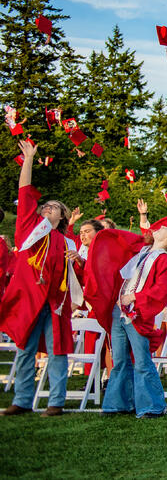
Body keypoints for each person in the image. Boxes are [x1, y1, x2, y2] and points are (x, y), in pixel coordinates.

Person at [1, 140, 76, 417]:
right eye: (45, 205)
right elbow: (25, 191)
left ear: (63, 216)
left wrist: (75, 263)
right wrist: (29, 159)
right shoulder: (29, 228)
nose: (47, 208)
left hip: (54, 303)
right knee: (24, 350)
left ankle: (55, 402)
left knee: (57, 352)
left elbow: (76, 278)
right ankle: (22, 400)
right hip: (28, 299)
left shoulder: (66, 242)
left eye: (54, 207)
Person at [102, 224, 167, 418]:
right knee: (119, 359)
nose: (161, 227)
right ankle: (119, 404)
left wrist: (135, 297)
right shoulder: (142, 251)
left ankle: (152, 406)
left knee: (142, 360)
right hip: (119, 310)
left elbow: (163, 290)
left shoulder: (164, 260)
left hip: (137, 313)